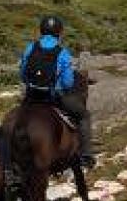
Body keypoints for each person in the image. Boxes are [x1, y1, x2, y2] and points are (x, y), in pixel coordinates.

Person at [19, 15, 95, 166]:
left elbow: (22, 74)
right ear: (59, 32)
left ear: (42, 30)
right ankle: (86, 155)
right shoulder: (62, 52)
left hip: (31, 96)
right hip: (52, 97)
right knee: (84, 116)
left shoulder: (30, 47)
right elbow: (67, 83)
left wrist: (31, 84)